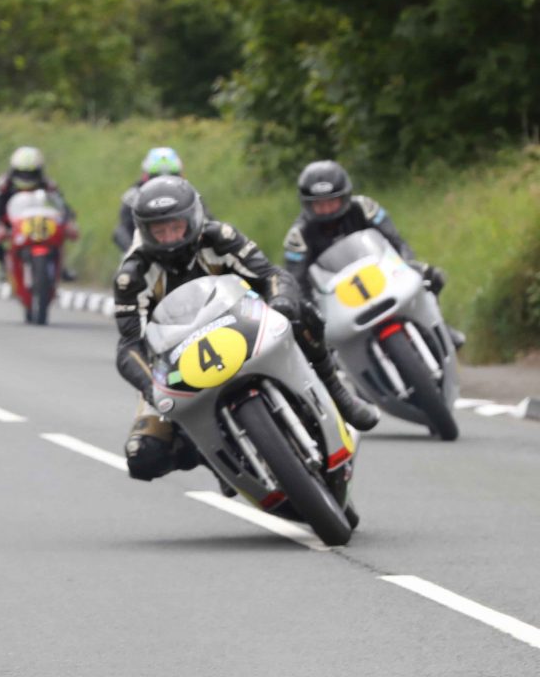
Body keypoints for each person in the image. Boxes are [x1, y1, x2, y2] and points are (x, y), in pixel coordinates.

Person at [113, 176, 379, 483]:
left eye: (176, 227)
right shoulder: (132, 275)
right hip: (177, 365)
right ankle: (210, 455)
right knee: (143, 457)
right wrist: (153, 389)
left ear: (192, 219)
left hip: (243, 326)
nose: (170, 238)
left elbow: (271, 275)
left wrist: (281, 300)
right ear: (144, 231)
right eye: (159, 231)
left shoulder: (219, 237)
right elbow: (129, 345)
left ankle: (336, 391)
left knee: (301, 311)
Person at [282, 161, 451, 315]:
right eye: (319, 204)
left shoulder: (364, 207)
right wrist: (311, 309)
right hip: (336, 298)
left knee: (431, 275)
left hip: (382, 275)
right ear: (307, 204)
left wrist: (406, 264)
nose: (327, 209)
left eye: (332, 201)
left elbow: (396, 241)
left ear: (344, 196)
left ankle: (438, 325)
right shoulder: (298, 235)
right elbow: (297, 281)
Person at [0, 146, 78, 279]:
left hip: (40, 220)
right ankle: (5, 262)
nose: (27, 177)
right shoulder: (3, 184)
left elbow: (62, 205)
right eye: (22, 172)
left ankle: (59, 266)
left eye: (32, 173)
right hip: (10, 221)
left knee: (61, 230)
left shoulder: (46, 183)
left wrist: (69, 222)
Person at [112, 147, 182, 252]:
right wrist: (134, 252)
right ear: (145, 176)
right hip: (144, 254)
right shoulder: (133, 196)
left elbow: (206, 220)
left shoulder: (190, 195)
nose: (163, 185)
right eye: (156, 178)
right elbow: (123, 229)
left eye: (172, 178)